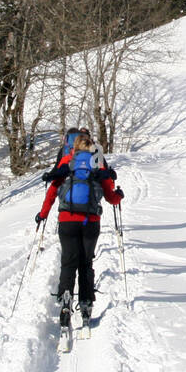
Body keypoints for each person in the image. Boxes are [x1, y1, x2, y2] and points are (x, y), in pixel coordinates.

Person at [36, 130, 123, 323]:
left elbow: (52, 191)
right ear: (92, 146)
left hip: (67, 220)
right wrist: (120, 195)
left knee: (68, 261)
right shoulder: (97, 163)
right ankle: (85, 303)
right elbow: (110, 196)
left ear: (72, 146)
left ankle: (66, 298)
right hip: (90, 221)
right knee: (86, 263)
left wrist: (42, 214)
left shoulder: (67, 161)